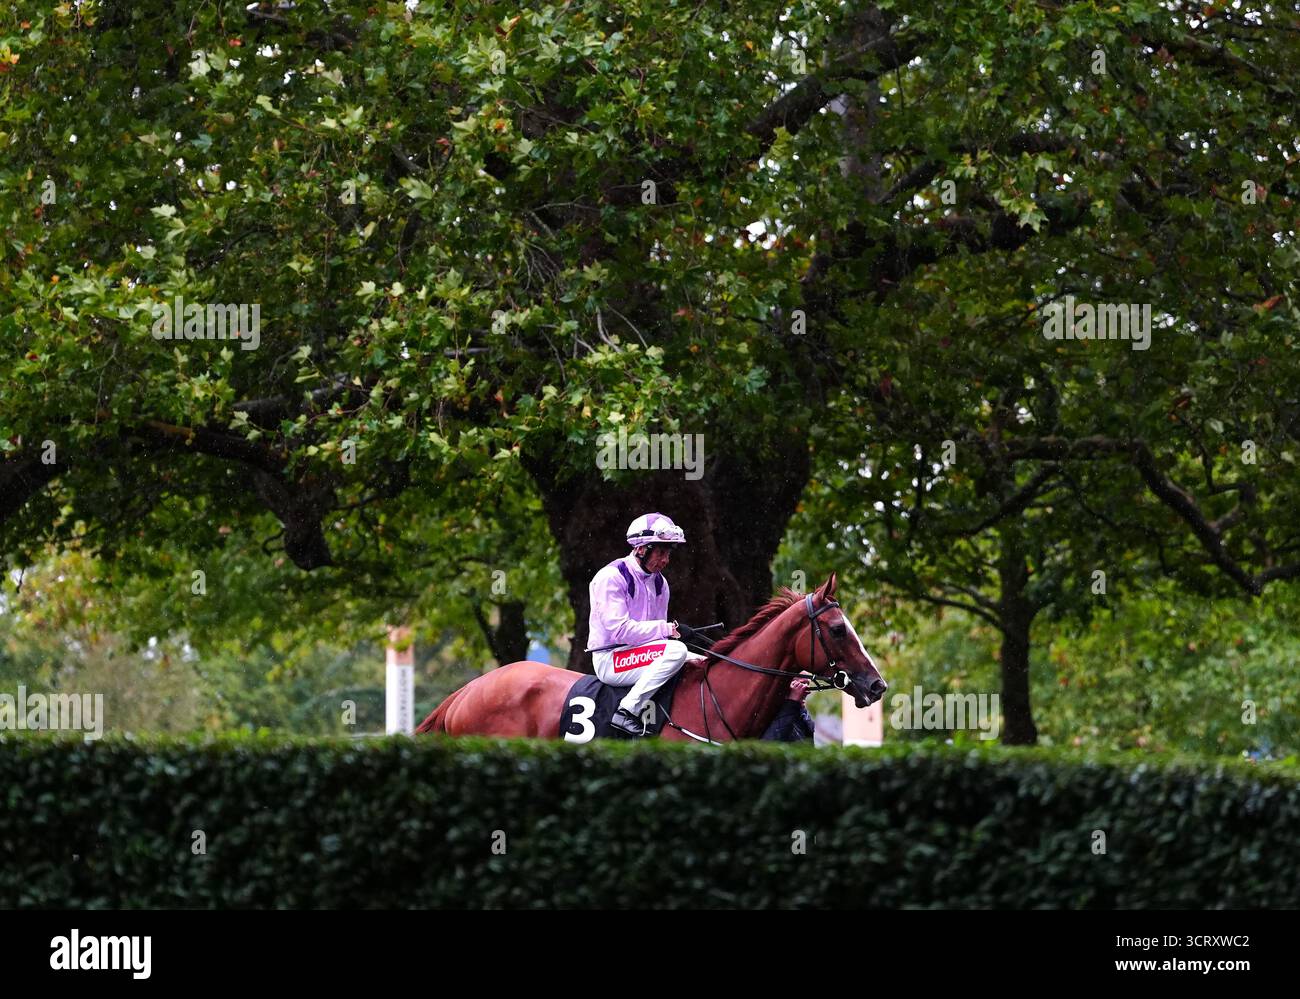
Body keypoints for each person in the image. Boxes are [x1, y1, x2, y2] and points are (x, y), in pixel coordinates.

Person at [588, 513, 691, 737]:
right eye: (661, 552)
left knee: (699, 660)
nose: (665, 560)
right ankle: (626, 711)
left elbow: (657, 641)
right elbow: (620, 631)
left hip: (637, 655)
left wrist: (671, 636)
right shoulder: (611, 576)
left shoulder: (661, 584)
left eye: (668, 553)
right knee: (677, 651)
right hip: (610, 658)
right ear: (641, 549)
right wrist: (666, 629)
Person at [761, 677, 816, 742]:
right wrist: (793, 702)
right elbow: (769, 743)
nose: (808, 690)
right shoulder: (767, 712)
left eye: (808, 684)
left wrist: (796, 704)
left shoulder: (799, 713)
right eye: (801, 684)